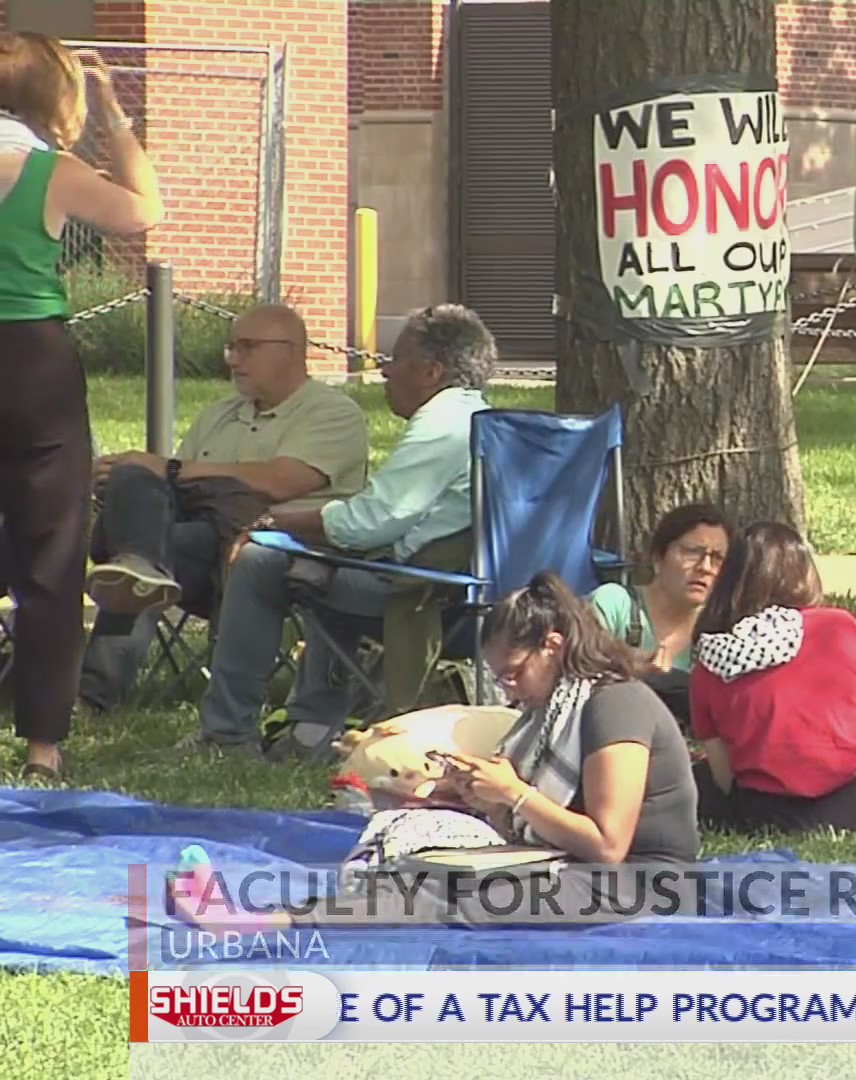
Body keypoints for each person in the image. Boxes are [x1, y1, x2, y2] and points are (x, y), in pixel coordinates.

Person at [167, 572, 700, 931]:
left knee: (456, 893)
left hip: (642, 880)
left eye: (514, 674)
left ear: (553, 646)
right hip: (580, 865)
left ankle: (253, 922)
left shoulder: (616, 705)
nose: (510, 691)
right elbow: (548, 815)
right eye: (500, 678)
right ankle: (266, 911)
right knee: (427, 862)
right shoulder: (555, 708)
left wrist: (513, 795)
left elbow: (608, 844)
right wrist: (468, 795)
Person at [193, 304, 494, 757]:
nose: (386, 373)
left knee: (262, 560)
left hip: (429, 598)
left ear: (432, 372)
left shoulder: (444, 424)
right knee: (316, 566)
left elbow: (370, 524)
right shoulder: (489, 420)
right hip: (487, 597)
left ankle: (226, 734)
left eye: (396, 361)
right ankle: (311, 727)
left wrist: (275, 521)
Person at [0, 35, 163, 782]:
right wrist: (112, 111)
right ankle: (41, 744)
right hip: (32, 362)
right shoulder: (51, 172)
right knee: (52, 553)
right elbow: (143, 212)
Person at [79, 303, 370, 714]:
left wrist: (165, 467)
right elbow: (175, 487)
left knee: (154, 555)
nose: (233, 359)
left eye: (247, 347)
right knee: (135, 514)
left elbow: (280, 482)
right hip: (200, 539)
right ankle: (133, 568)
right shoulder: (219, 413)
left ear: (290, 350)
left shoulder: (333, 412)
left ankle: (90, 696)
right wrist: (123, 475)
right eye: (230, 347)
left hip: (276, 547)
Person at [689, 522, 856, 838]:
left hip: (767, 813)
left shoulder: (710, 661)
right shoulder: (838, 625)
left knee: (695, 781)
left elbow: (724, 776)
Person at [588, 503, 733, 673]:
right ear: (657, 559)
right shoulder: (614, 605)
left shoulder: (721, 630)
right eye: (692, 552)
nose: (706, 567)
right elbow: (579, 674)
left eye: (717, 558)